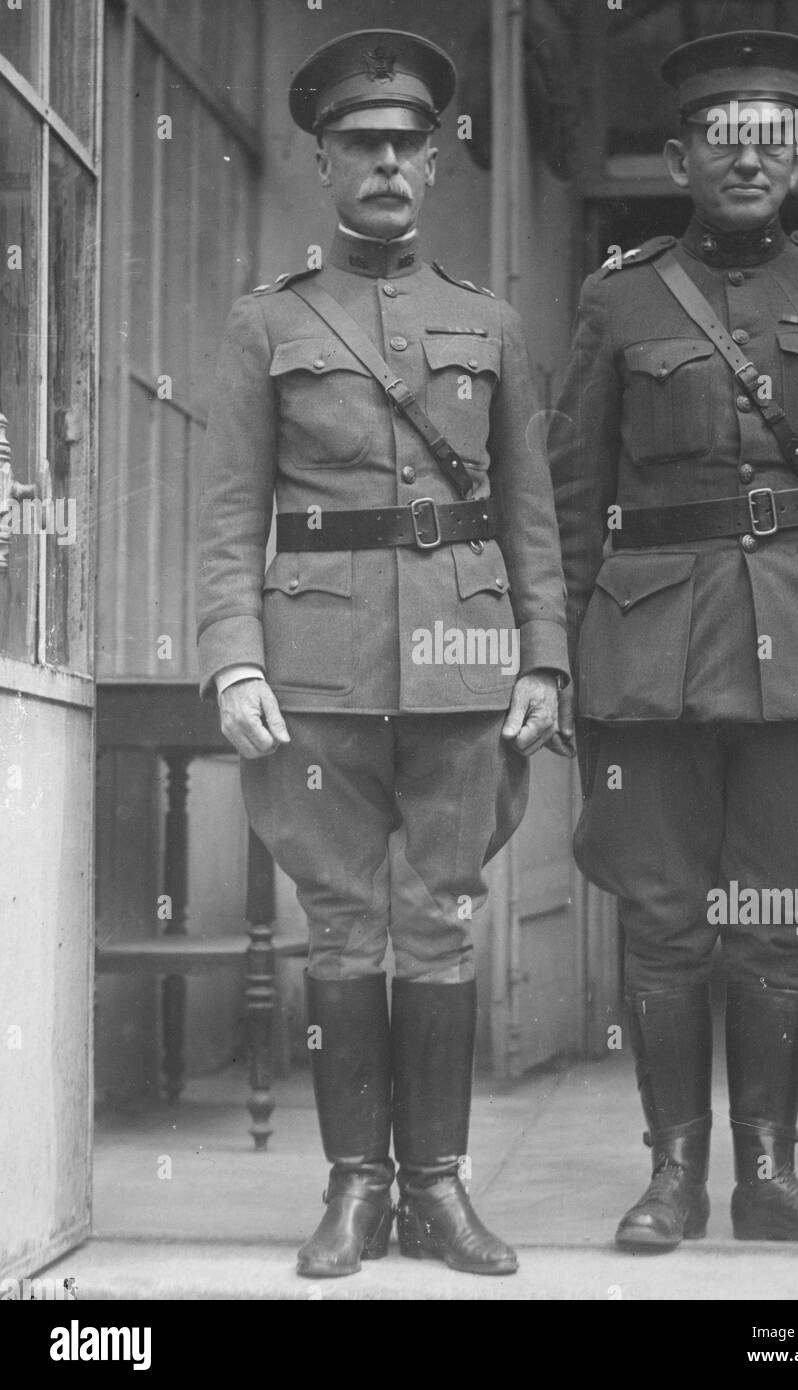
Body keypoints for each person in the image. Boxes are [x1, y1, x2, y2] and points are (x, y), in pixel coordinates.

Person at [196, 28, 571, 1279]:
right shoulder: (265, 326)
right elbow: (225, 512)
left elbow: (530, 515)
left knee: (443, 921)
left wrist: (545, 661)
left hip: (467, 663)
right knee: (346, 926)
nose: (390, 163)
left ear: (437, 160)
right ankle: (354, 1189)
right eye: (363, 143)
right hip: (317, 670)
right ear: (322, 161)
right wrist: (234, 660)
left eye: (409, 142)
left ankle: (440, 1191)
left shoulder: (491, 325)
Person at [549, 29, 798, 1252]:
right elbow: (564, 498)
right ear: (678, 157)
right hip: (646, 652)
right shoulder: (616, 299)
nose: (749, 156)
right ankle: (671, 1177)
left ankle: (766, 1174)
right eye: (723, 134)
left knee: (775, 911)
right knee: (661, 917)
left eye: (772, 132)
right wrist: (548, 657)